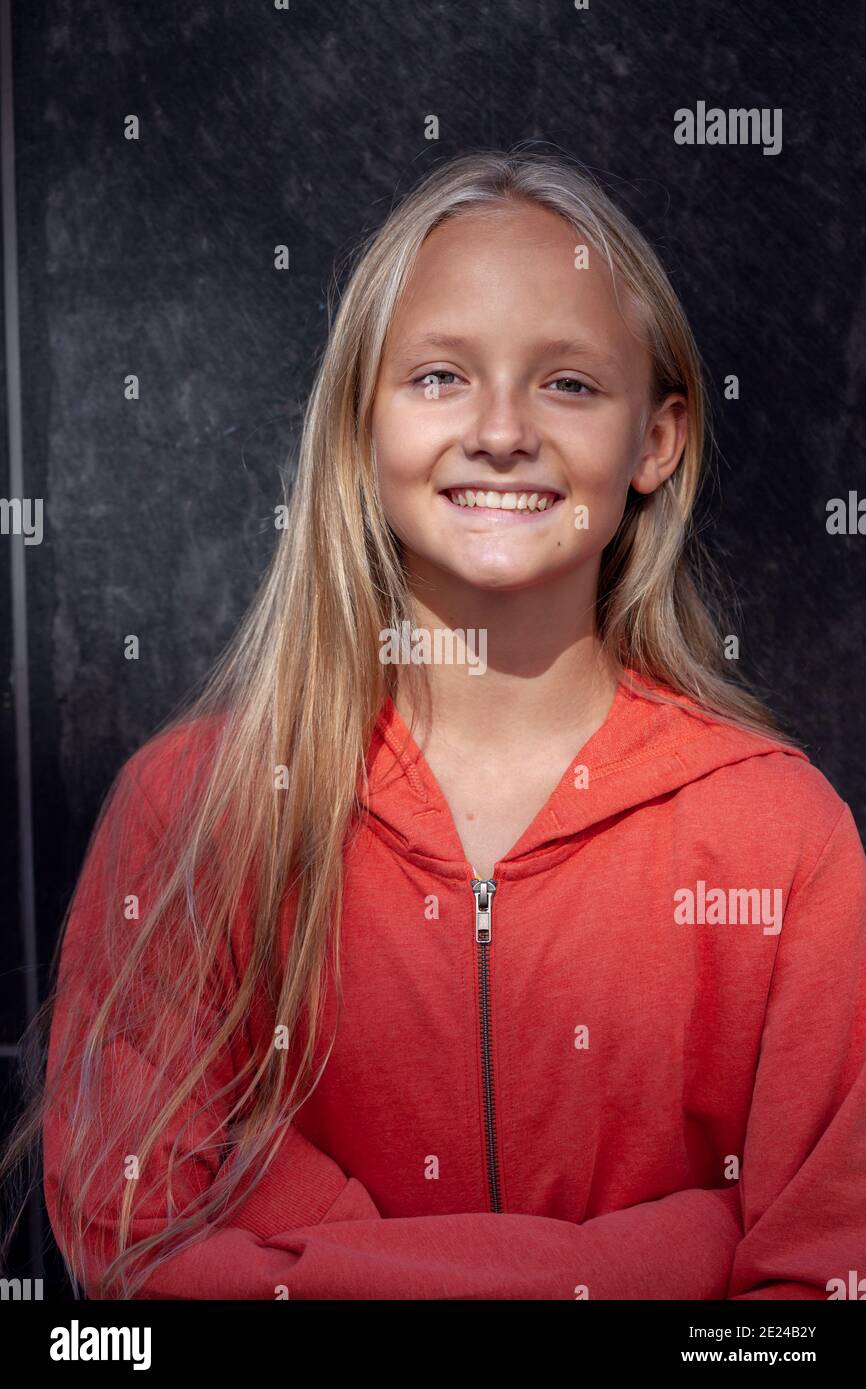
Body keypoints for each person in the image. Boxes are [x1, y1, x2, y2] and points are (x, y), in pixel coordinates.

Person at [6, 149, 866, 1300]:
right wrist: (669, 1254)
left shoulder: (781, 837)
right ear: (360, 427)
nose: (501, 430)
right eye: (438, 378)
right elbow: (144, 1253)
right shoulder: (194, 807)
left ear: (654, 441)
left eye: (568, 383)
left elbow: (819, 1285)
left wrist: (311, 1244)